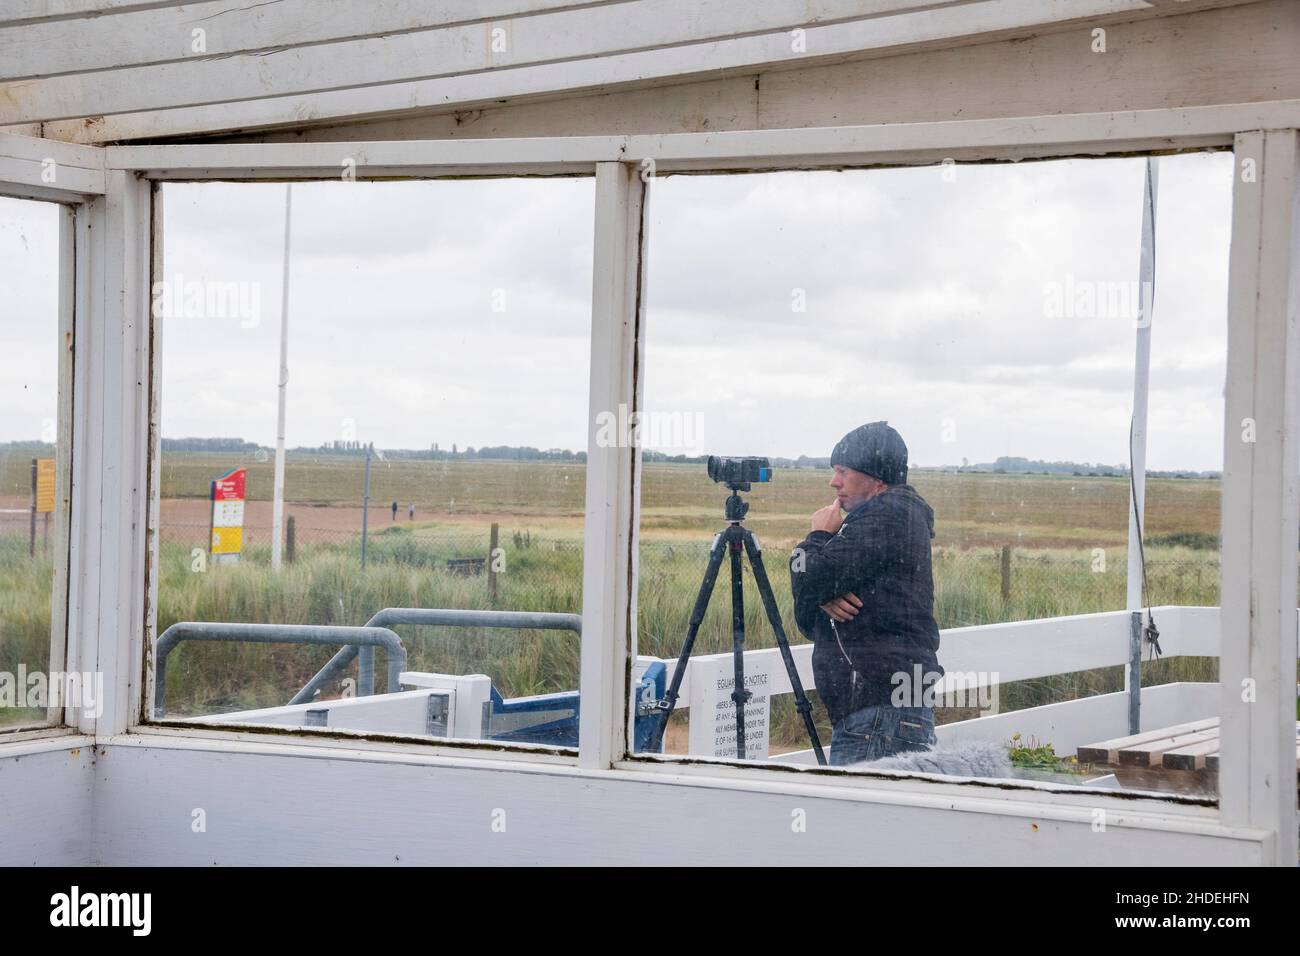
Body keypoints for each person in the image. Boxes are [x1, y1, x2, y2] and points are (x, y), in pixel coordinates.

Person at [789, 421, 944, 766]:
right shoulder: (891, 518)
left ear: (877, 478)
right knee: (889, 817)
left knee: (858, 818)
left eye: (843, 471)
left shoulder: (888, 516)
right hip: (884, 715)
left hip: (877, 718)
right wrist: (820, 595)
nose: (834, 482)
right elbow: (807, 618)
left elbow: (809, 576)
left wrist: (815, 539)